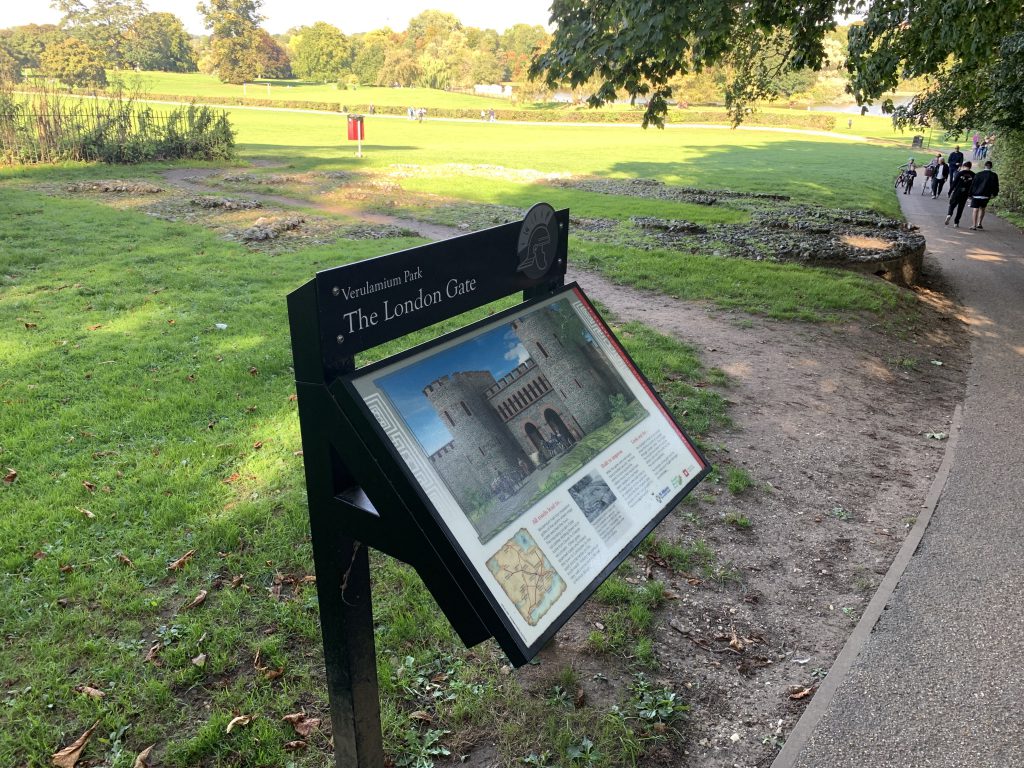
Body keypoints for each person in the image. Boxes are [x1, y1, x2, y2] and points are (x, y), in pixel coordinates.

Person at [969, 160, 999, 230]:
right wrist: (994, 194)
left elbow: (973, 185)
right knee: (982, 209)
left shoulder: (978, 174)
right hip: (986, 195)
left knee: (975, 210)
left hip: (976, 194)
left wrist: (970, 194)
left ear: (984, 166)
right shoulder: (994, 175)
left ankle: (974, 225)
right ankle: (979, 223)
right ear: (991, 166)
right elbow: (996, 186)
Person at [944, 161, 974, 227]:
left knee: (952, 205)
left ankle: (949, 214)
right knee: (960, 208)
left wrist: (949, 192)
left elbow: (954, 183)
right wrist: (971, 195)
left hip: (957, 192)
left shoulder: (960, 173)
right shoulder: (973, 175)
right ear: (970, 167)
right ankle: (956, 223)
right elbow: (974, 186)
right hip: (965, 193)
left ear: (963, 166)